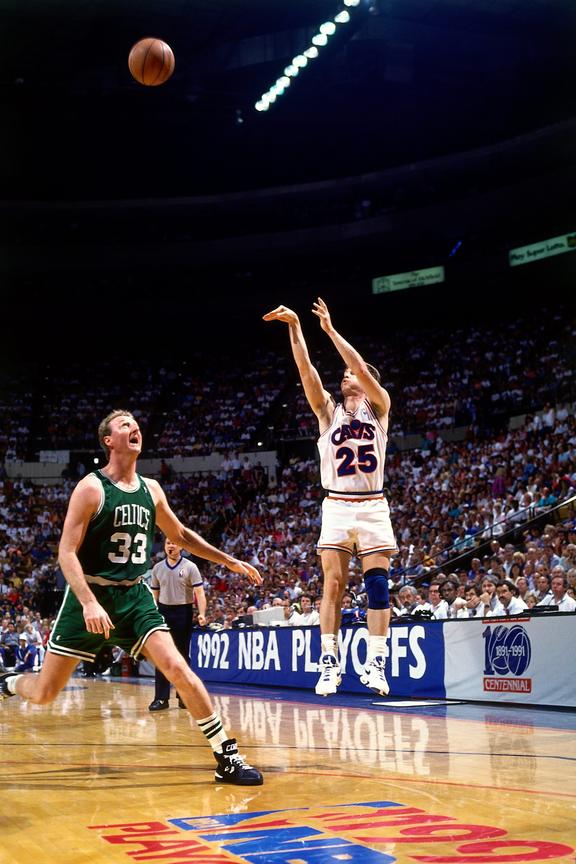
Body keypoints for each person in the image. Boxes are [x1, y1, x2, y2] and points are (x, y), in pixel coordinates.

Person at [0, 409, 263, 786]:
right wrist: (89, 601)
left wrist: (228, 560)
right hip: (90, 596)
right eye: (124, 424)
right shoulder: (91, 488)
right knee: (43, 693)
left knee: (178, 669)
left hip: (136, 598)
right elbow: (66, 552)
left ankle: (226, 754)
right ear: (108, 440)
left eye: (136, 423)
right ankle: (9, 683)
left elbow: (183, 536)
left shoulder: (151, 489)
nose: (134, 427)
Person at [264, 298, 397, 697]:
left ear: (366, 379)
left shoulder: (380, 406)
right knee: (333, 586)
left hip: (373, 504)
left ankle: (376, 663)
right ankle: (329, 664)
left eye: (350, 374)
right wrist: (295, 327)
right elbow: (305, 370)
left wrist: (330, 331)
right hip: (337, 505)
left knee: (377, 586)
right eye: (341, 374)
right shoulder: (328, 412)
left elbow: (357, 365)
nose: (345, 377)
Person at [148, 538, 207, 712]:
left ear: (181, 546)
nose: (171, 546)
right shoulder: (157, 568)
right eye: (167, 543)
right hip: (163, 613)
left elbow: (200, 593)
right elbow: (154, 595)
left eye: (174, 543)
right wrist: (152, 614)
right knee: (162, 655)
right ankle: (161, 698)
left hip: (183, 612)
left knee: (182, 656)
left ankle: (184, 697)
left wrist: (202, 613)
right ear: (164, 546)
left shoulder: (190, 567)